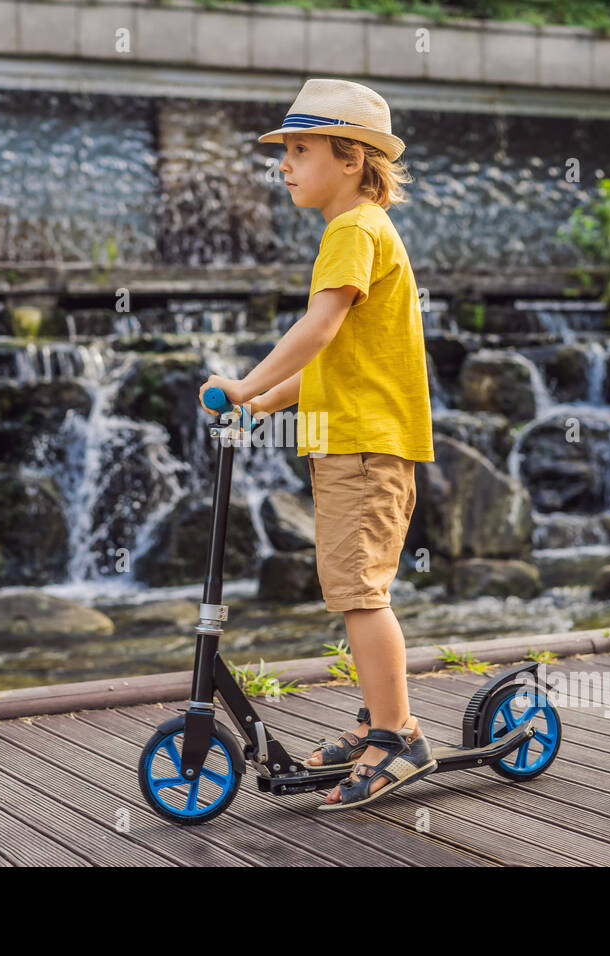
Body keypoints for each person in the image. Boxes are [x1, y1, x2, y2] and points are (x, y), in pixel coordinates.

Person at [197, 78, 436, 810]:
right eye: (285, 151)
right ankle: (375, 721)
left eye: (301, 150)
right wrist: (265, 401)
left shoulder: (352, 232)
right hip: (350, 444)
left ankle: (399, 738)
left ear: (355, 159)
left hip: (364, 448)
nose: (285, 164)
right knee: (354, 592)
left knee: (362, 597)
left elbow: (318, 331)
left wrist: (241, 382)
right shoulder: (359, 231)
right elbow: (334, 357)